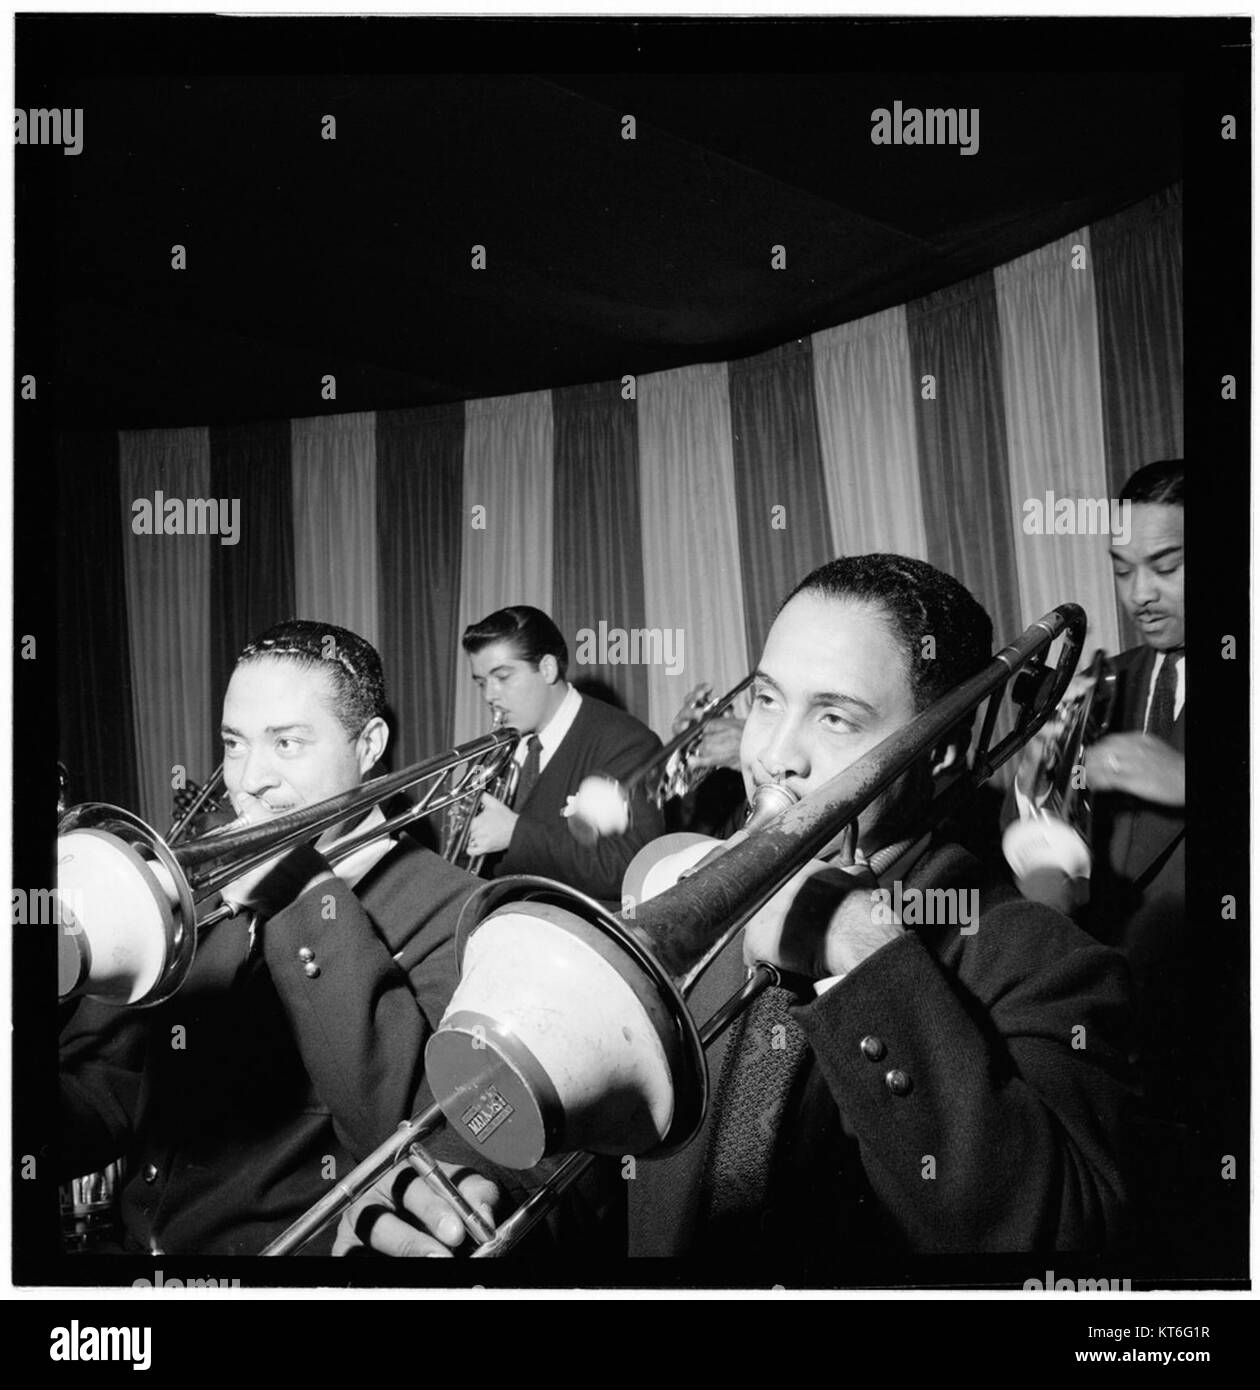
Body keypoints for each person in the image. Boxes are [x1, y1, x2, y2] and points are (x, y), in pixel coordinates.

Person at [340, 557, 1137, 1273]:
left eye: (836, 717)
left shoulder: (1045, 961)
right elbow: (595, 1152)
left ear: (945, 752)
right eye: (767, 700)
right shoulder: (681, 910)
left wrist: (866, 957)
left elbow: (1054, 1242)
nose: (773, 755)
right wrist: (468, 1198)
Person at [58, 619, 489, 1256]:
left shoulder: (455, 910)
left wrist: (302, 895)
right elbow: (106, 1097)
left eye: (286, 743)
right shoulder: (196, 893)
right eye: (234, 744)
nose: (248, 779)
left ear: (369, 745)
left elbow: (415, 1148)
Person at [459, 605, 665, 904]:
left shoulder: (627, 742)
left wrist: (516, 834)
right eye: (481, 683)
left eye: (502, 677)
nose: (490, 696)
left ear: (547, 669)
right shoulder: (498, 749)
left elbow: (633, 866)